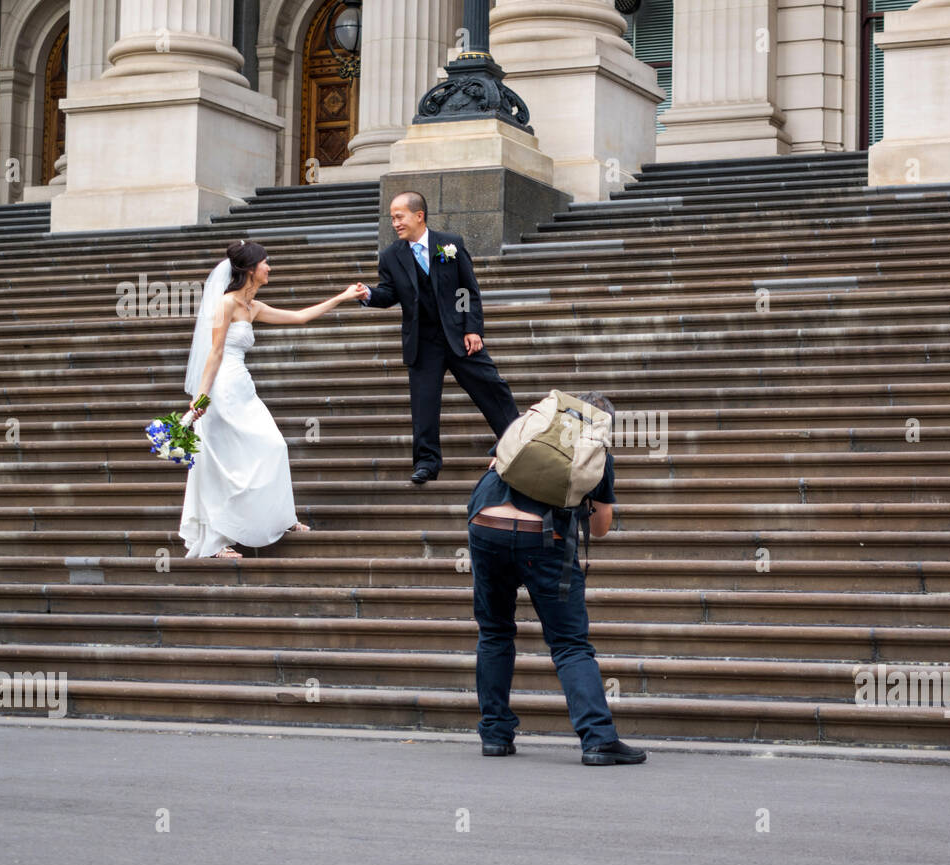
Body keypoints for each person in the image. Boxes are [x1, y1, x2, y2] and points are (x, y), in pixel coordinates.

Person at [468, 391, 646, 766]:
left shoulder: (534, 424)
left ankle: (495, 736)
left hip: (486, 523)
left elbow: (495, 464)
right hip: (543, 540)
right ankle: (597, 739)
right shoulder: (597, 448)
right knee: (569, 644)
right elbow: (599, 528)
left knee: (495, 631)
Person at [180, 240, 367, 558]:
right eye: (265, 262)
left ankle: (280, 518)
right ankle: (216, 540)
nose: (270, 267)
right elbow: (214, 352)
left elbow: (299, 317)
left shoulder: (254, 306)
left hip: (243, 387)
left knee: (274, 446)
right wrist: (201, 398)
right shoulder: (225, 304)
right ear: (251, 269)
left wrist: (342, 296)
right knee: (225, 462)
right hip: (223, 389)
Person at [359, 191, 518, 484]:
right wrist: (368, 294)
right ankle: (427, 463)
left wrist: (473, 329)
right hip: (422, 341)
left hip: (458, 335)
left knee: (492, 387)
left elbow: (467, 290)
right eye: (392, 218)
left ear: (419, 216)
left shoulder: (450, 244)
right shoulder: (392, 255)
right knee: (424, 405)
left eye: (399, 216)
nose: (394, 223)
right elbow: (388, 293)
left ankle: (518, 442)